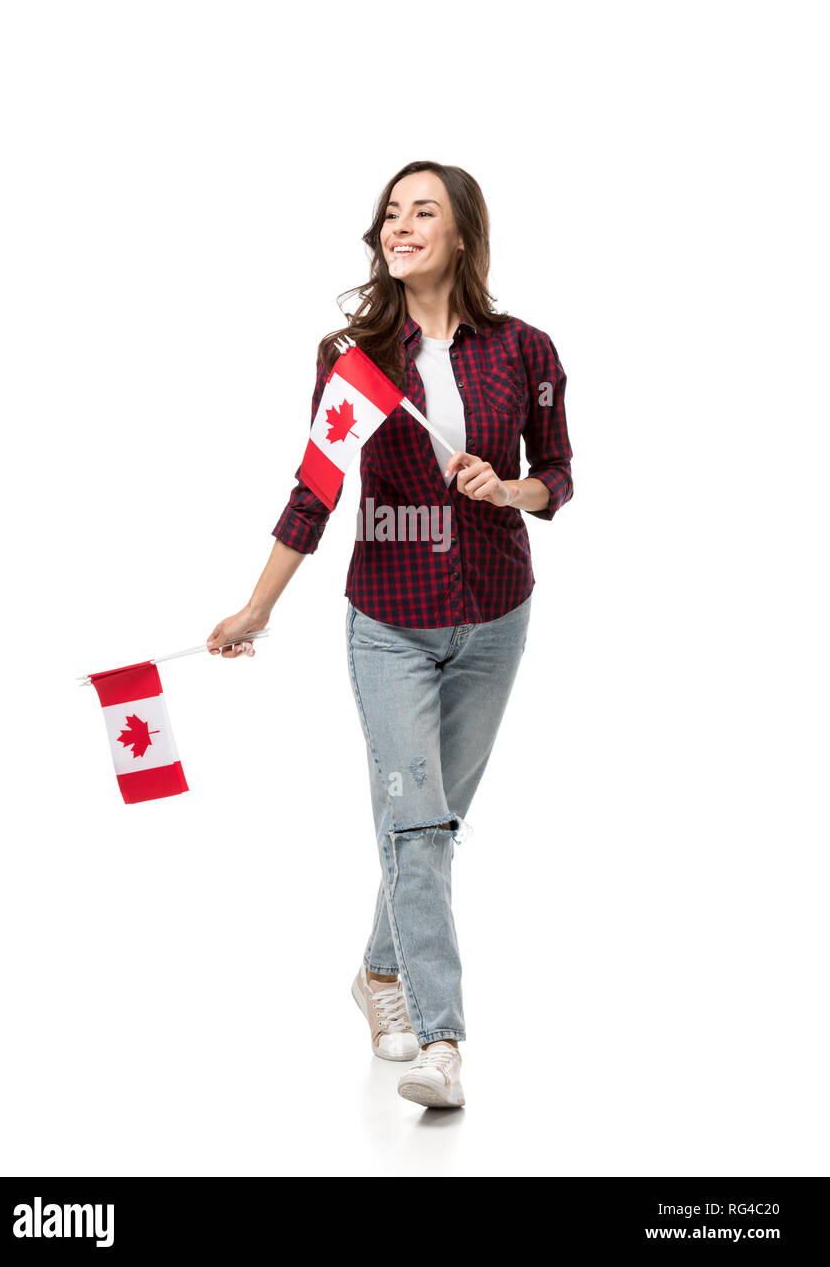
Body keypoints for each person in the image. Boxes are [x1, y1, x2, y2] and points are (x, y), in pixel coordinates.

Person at [207, 160, 573, 1109]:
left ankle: (377, 971)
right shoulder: (352, 356)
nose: (400, 226)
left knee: (435, 828)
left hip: (497, 616)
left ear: (460, 236)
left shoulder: (524, 349)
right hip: (389, 624)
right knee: (415, 822)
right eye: (389, 214)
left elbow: (558, 476)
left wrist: (514, 489)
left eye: (424, 212)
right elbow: (316, 486)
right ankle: (441, 1040)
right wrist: (258, 606)